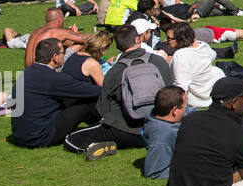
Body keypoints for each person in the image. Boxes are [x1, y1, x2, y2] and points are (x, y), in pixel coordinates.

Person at [63, 25, 174, 159]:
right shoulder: (158, 61)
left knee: (72, 138)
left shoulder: (115, 70)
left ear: (118, 46)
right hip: (158, 126)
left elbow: (102, 109)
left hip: (125, 130)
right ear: (138, 40)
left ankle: (93, 146)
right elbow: (171, 92)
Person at [9, 37, 103, 148]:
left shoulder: (27, 73)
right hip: (40, 137)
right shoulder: (53, 78)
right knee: (89, 99)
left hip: (20, 135)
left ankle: (99, 124)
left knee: (71, 99)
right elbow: (94, 91)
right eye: (63, 52)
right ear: (55, 57)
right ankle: (103, 127)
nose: (64, 55)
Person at [166, 21, 225, 109]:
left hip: (198, 97)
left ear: (180, 38)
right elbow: (213, 55)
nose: (166, 41)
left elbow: (181, 86)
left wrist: (181, 108)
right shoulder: (202, 45)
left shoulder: (180, 55)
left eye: (169, 38)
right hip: (212, 88)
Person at [142, 86, 188, 179]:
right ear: (175, 110)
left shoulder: (159, 112)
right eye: (185, 107)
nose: (186, 109)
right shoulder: (160, 139)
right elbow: (154, 172)